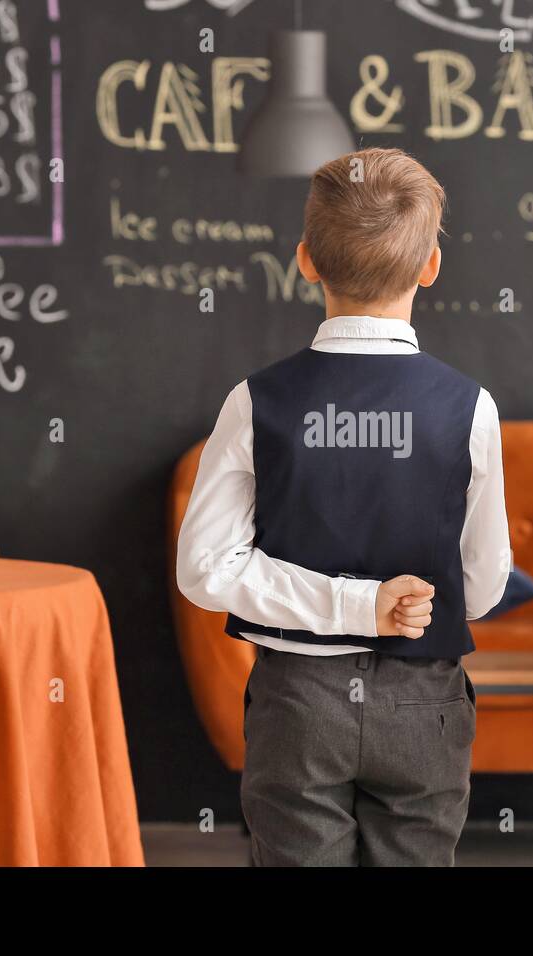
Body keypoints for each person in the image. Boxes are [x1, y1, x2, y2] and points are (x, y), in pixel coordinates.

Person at [176, 147, 509, 866]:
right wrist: (382, 606)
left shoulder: (255, 401)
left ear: (305, 260)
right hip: (424, 699)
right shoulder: (469, 408)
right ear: (430, 268)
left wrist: (349, 606)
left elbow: (204, 569)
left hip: (299, 703)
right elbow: (479, 589)